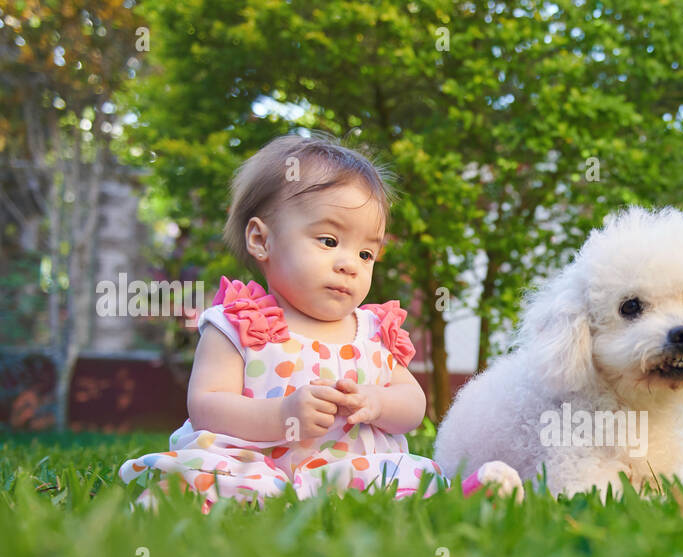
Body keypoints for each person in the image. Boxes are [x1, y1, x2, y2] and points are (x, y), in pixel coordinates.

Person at [119, 133, 519, 513]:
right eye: (329, 241)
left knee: (406, 478)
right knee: (212, 476)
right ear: (262, 240)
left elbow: (413, 405)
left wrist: (378, 402)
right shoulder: (241, 322)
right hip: (259, 467)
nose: (349, 264)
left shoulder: (375, 331)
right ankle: (174, 502)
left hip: (350, 472)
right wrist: (281, 415)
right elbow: (206, 405)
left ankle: (468, 499)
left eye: (366, 254)